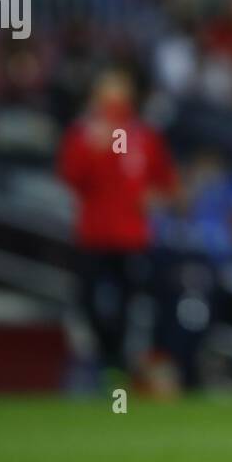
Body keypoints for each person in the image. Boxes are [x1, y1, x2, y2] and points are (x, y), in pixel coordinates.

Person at [58, 68, 179, 381]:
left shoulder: (143, 137)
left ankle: (120, 365)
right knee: (88, 301)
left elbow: (166, 183)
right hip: (93, 235)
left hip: (132, 237)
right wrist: (92, 149)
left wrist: (156, 197)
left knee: (130, 304)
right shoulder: (84, 135)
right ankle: (107, 356)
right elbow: (70, 177)